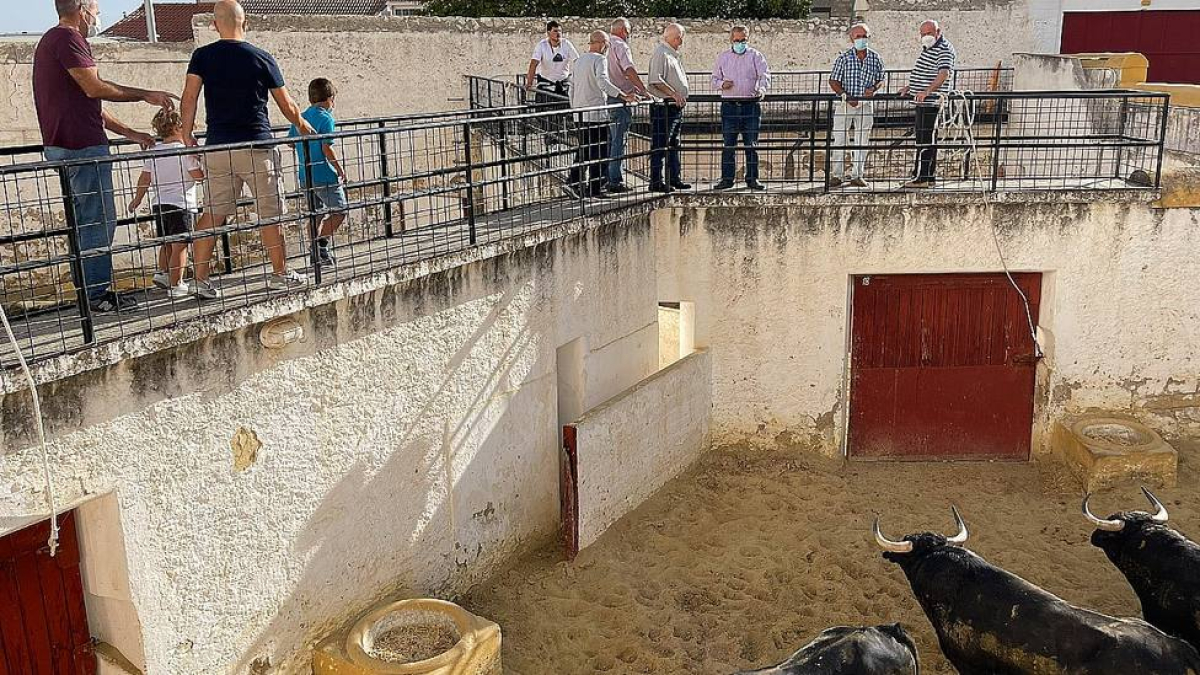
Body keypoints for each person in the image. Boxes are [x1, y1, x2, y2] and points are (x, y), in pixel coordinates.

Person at [33, 0, 178, 313]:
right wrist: (145, 94)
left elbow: (90, 106)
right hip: (81, 147)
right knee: (98, 221)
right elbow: (93, 87)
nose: (98, 16)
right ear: (82, 9)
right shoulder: (67, 38)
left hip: (70, 144)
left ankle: (88, 291)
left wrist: (132, 134)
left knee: (85, 223)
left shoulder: (53, 41)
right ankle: (95, 294)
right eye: (96, 10)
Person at [181, 0, 316, 299]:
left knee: (212, 214)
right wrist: (304, 126)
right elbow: (287, 104)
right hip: (257, 145)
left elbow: (189, 97)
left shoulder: (201, 56)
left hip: (218, 147)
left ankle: (199, 280)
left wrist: (186, 134)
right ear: (246, 23)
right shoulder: (262, 58)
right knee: (271, 212)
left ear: (215, 25)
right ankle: (280, 274)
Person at [128, 110, 205, 299]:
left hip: (160, 204)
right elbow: (198, 177)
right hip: (182, 204)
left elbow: (145, 178)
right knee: (180, 245)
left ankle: (162, 274)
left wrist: (137, 199)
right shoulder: (184, 152)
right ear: (180, 128)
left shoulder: (154, 152)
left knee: (167, 243)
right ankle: (176, 284)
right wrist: (200, 159)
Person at [567, 31, 637, 198]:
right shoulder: (600, 59)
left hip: (580, 114)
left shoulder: (578, 61)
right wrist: (623, 96)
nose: (608, 47)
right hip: (596, 114)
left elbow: (571, 88)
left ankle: (574, 182)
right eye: (607, 44)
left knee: (584, 149)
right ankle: (594, 188)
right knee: (600, 151)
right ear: (599, 43)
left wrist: (574, 109)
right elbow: (603, 82)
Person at [290, 78, 347, 268]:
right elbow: (327, 148)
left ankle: (316, 251)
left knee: (315, 214)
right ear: (330, 98)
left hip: (305, 175)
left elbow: (290, 142)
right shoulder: (327, 118)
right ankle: (321, 244)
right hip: (325, 174)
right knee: (340, 211)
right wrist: (339, 169)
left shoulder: (301, 116)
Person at [711, 25, 770, 191]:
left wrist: (762, 89)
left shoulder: (756, 56)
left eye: (742, 40)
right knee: (729, 144)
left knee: (751, 144)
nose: (739, 43)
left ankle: (752, 179)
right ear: (731, 40)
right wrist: (723, 84)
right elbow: (714, 80)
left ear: (748, 39)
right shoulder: (723, 57)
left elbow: (765, 75)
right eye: (736, 40)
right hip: (729, 106)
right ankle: (727, 179)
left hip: (750, 106)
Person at [899, 20, 957, 188]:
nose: (925, 37)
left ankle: (923, 177)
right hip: (923, 100)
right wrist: (911, 87)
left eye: (928, 33)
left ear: (938, 32)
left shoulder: (944, 49)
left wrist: (927, 92)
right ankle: (926, 176)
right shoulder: (929, 48)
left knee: (925, 139)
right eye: (923, 34)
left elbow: (943, 74)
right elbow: (927, 72)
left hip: (930, 102)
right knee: (925, 138)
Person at [828, 22, 885, 188]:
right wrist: (845, 95)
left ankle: (857, 175)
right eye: (858, 36)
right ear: (851, 38)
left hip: (865, 104)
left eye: (864, 36)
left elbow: (881, 78)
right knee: (839, 139)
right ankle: (837, 175)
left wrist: (873, 89)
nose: (861, 39)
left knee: (862, 140)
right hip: (846, 103)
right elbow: (833, 81)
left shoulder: (875, 58)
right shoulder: (844, 58)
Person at [605, 18, 647, 193]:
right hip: (622, 98)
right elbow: (628, 70)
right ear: (623, 30)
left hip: (607, 97)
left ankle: (606, 176)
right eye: (628, 31)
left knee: (610, 139)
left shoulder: (605, 44)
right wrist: (643, 90)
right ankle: (615, 180)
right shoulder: (621, 46)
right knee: (619, 140)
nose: (629, 34)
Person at [647, 23, 691, 194]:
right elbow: (655, 80)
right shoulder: (661, 54)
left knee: (673, 143)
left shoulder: (672, 55)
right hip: (664, 107)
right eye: (679, 37)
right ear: (673, 37)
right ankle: (656, 180)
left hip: (674, 106)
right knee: (661, 143)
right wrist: (674, 94)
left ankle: (674, 178)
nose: (681, 40)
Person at [525, 21, 579, 104]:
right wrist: (529, 83)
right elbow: (533, 64)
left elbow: (577, 61)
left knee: (564, 113)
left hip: (563, 85)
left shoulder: (567, 44)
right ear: (548, 33)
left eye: (560, 31)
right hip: (546, 85)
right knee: (544, 114)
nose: (558, 34)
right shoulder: (542, 45)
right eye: (555, 31)